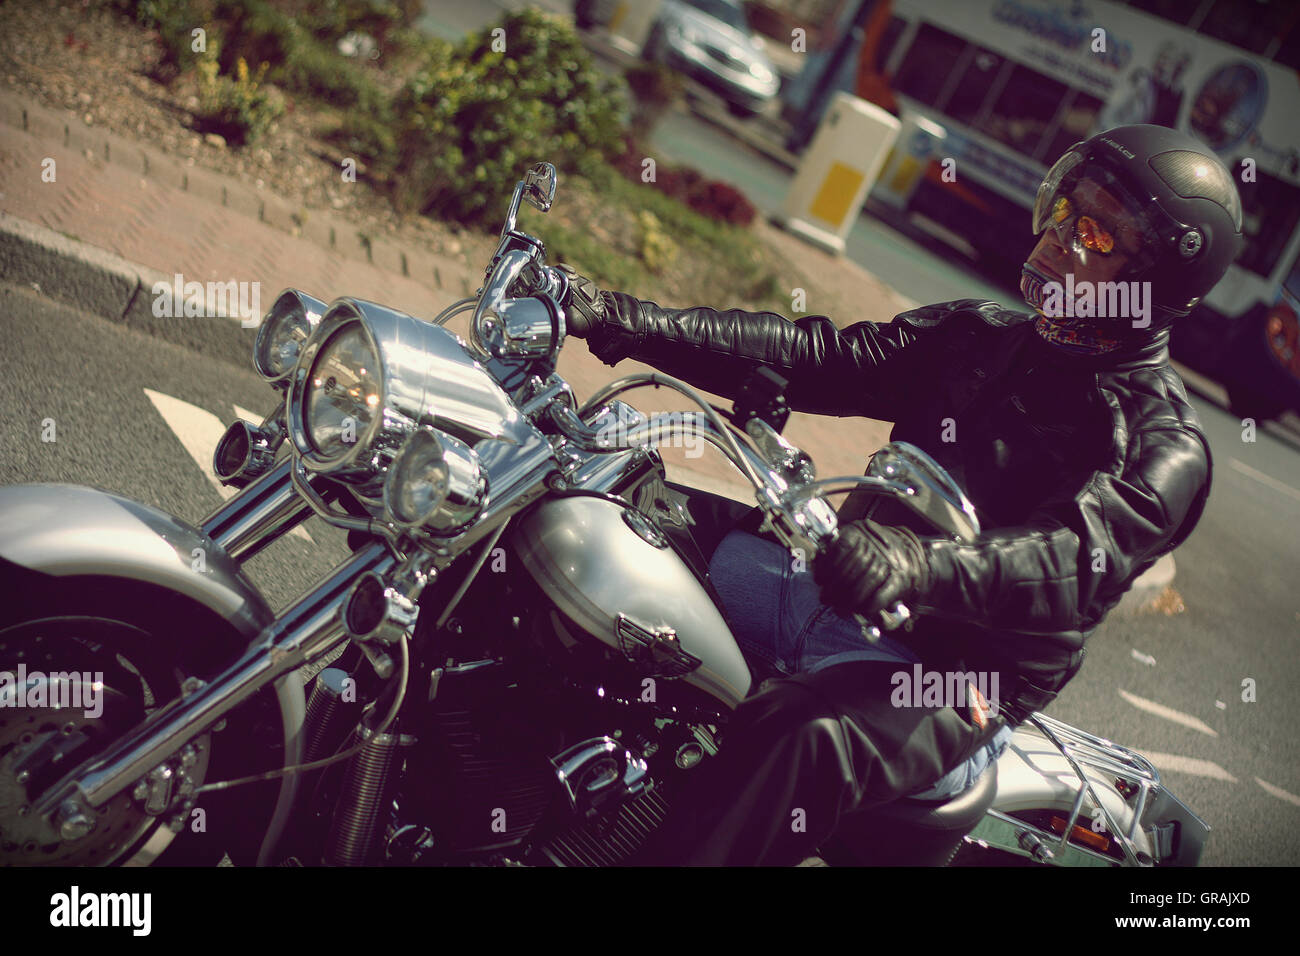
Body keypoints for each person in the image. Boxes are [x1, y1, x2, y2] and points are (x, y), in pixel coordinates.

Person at [559, 124, 1242, 866]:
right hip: (816, 583)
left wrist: (917, 564)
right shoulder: (979, 337)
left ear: (1158, 285)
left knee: (805, 732)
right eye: (1067, 210)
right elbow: (819, 356)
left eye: (1099, 237)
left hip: (948, 681)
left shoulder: (1160, 442)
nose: (1060, 239)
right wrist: (621, 319)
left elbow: (1071, 560)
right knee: (604, 517)